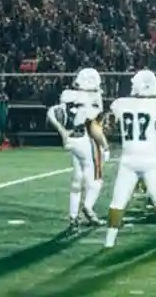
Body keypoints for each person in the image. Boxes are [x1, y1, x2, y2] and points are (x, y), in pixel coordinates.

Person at [104, 70, 156, 248]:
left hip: (128, 159)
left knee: (118, 201)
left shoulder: (121, 103)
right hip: (150, 159)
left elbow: (110, 124)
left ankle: (109, 241)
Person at [46, 68, 109, 229]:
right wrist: (105, 145)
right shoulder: (94, 98)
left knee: (77, 180)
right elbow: (94, 127)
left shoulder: (68, 94)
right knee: (96, 178)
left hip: (73, 140)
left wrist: (62, 132)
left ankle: (73, 216)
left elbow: (51, 112)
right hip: (86, 141)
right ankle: (88, 207)